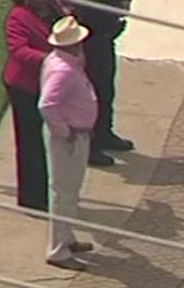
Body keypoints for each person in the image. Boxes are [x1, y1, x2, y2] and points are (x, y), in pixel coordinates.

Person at [38, 15, 99, 271]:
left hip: (75, 133)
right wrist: (65, 131)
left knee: (68, 191)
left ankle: (67, 238)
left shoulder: (60, 61)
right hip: (69, 138)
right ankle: (58, 251)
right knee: (65, 193)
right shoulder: (63, 70)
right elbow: (47, 104)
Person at [1, 0, 66, 212]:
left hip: (50, 82)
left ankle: (50, 190)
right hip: (25, 85)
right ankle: (32, 197)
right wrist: (51, 60)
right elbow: (18, 50)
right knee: (30, 141)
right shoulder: (18, 16)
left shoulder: (52, 6)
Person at [74, 0, 134, 167]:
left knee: (106, 90)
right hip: (88, 37)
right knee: (91, 94)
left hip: (105, 34)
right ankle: (89, 145)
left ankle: (103, 133)